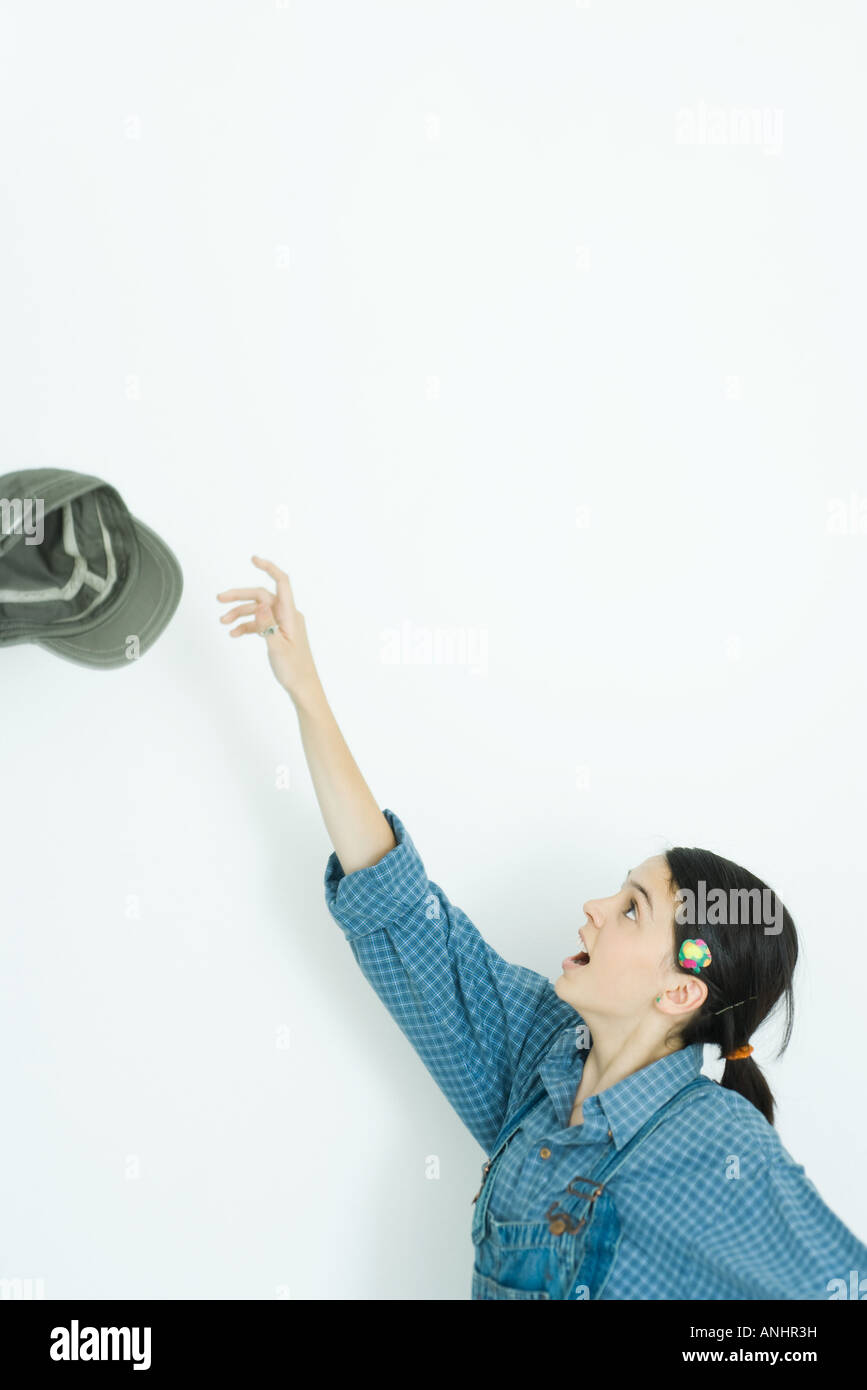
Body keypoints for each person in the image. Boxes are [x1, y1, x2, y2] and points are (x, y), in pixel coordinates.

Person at [217, 555, 867, 1301]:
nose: (593, 909)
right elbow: (397, 909)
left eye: (630, 909)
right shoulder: (539, 1058)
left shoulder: (717, 1144)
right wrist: (305, 690)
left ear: (679, 990)